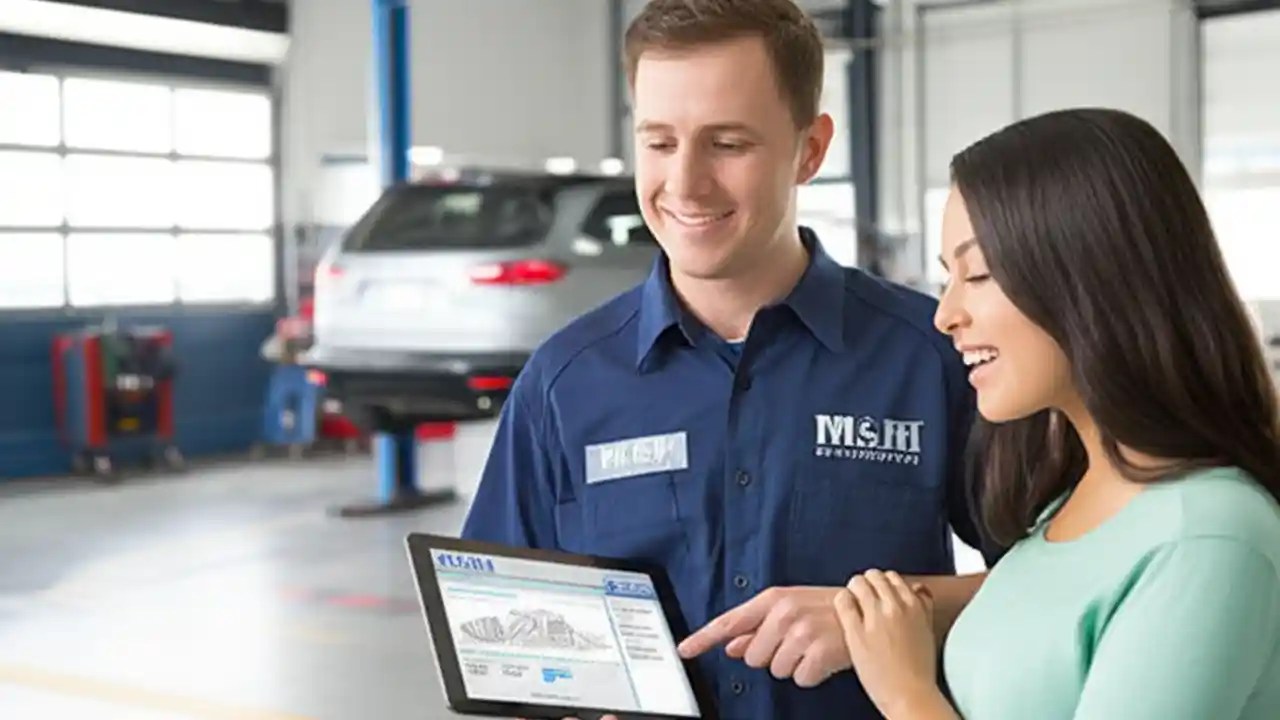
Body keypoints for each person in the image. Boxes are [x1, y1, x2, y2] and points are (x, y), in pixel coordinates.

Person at [460, 1, 1000, 718]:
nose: (685, 183)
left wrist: (890, 614)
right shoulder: (565, 385)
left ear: (810, 149)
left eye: (728, 144)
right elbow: (497, 646)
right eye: (659, 142)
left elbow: (1061, 579)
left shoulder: (929, 358)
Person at [829, 107, 1280, 719]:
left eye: (978, 273)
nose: (945, 316)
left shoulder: (1208, 537)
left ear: (1092, 277)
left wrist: (906, 692)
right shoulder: (1065, 504)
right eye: (948, 278)